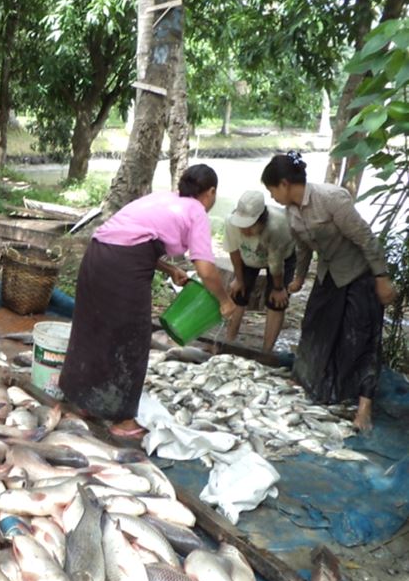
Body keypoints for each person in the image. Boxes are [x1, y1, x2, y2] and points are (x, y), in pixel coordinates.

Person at [59, 165, 235, 439]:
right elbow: (206, 271)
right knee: (133, 335)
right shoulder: (196, 210)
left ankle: (83, 400)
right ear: (210, 192)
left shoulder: (164, 198)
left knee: (92, 326)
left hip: (96, 257)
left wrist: (169, 269)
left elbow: (130, 237)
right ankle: (124, 418)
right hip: (122, 267)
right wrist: (225, 301)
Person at [261, 151, 395, 432]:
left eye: (272, 190)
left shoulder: (331, 198)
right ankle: (306, 380)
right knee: (313, 326)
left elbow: (365, 238)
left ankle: (363, 408)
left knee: (360, 339)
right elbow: (304, 248)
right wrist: (298, 278)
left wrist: (381, 277)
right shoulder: (291, 210)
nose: (272, 197)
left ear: (284, 184)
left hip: (359, 275)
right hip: (328, 275)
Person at [224, 190, 297, 352]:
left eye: (249, 227)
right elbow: (234, 251)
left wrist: (278, 288)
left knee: (277, 302)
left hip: (282, 256)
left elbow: (276, 265)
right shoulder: (230, 223)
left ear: (261, 221)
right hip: (248, 257)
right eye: (241, 225)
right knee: (239, 294)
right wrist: (239, 279)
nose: (244, 231)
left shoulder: (276, 227)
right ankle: (228, 342)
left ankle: (266, 351)